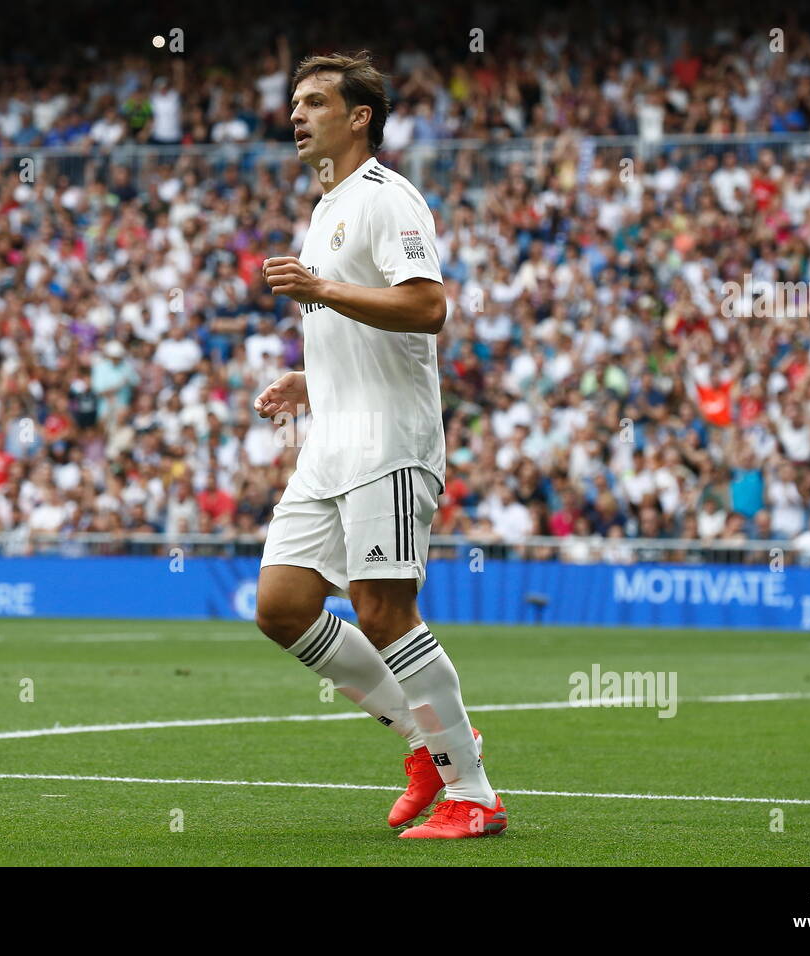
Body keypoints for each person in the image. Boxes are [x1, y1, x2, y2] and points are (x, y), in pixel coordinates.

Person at [251, 51, 504, 839]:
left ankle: (474, 794)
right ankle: (425, 740)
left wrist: (320, 289)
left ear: (358, 118)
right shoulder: (326, 207)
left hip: (389, 443)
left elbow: (427, 307)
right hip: (330, 441)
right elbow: (361, 329)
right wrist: (308, 378)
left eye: (316, 101)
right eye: (295, 102)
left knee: (384, 609)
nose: (297, 115)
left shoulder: (385, 197)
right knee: (283, 607)